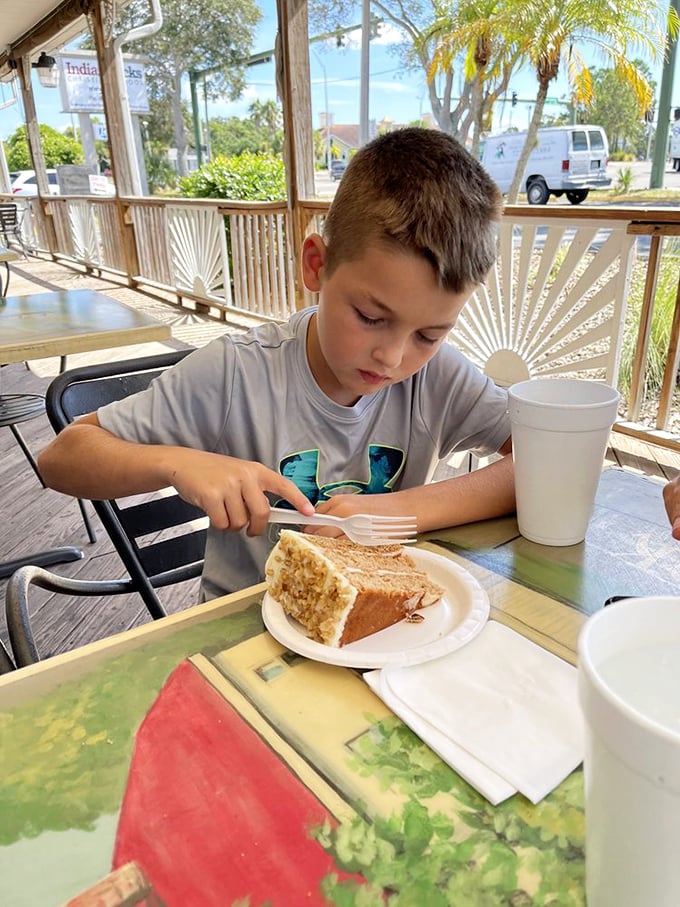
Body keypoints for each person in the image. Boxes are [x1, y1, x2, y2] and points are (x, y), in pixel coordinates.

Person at [38, 127, 515, 601]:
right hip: (246, 625)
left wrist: (401, 511)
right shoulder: (235, 374)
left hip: (382, 618)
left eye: (429, 335)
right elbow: (62, 459)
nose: (392, 357)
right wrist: (178, 463)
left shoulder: (438, 376)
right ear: (316, 266)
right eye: (370, 317)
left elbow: (547, 459)